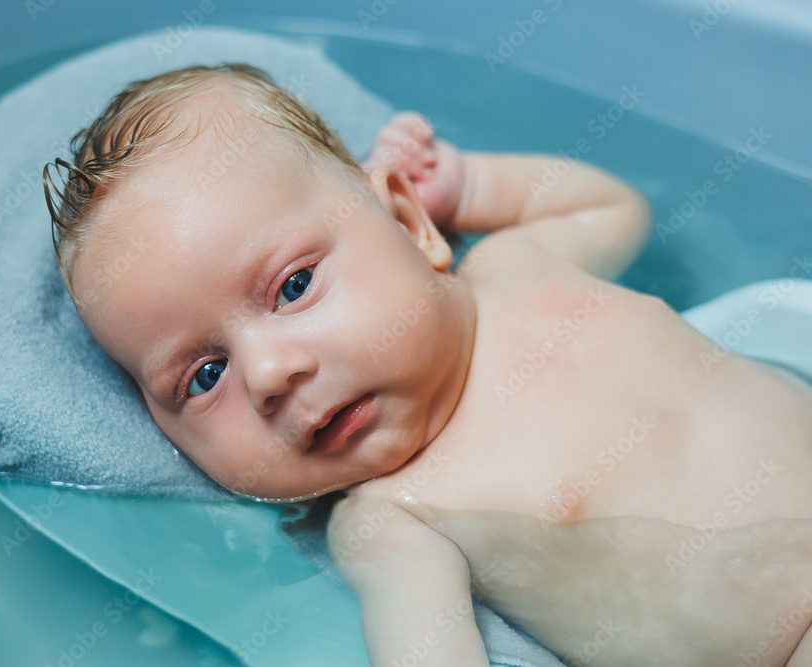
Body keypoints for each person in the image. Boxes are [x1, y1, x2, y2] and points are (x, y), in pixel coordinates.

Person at [43, 63, 812, 666]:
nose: (270, 373)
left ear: (411, 223)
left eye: (294, 285)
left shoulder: (520, 263)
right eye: (204, 375)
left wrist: (470, 185)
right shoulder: (392, 521)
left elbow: (614, 210)